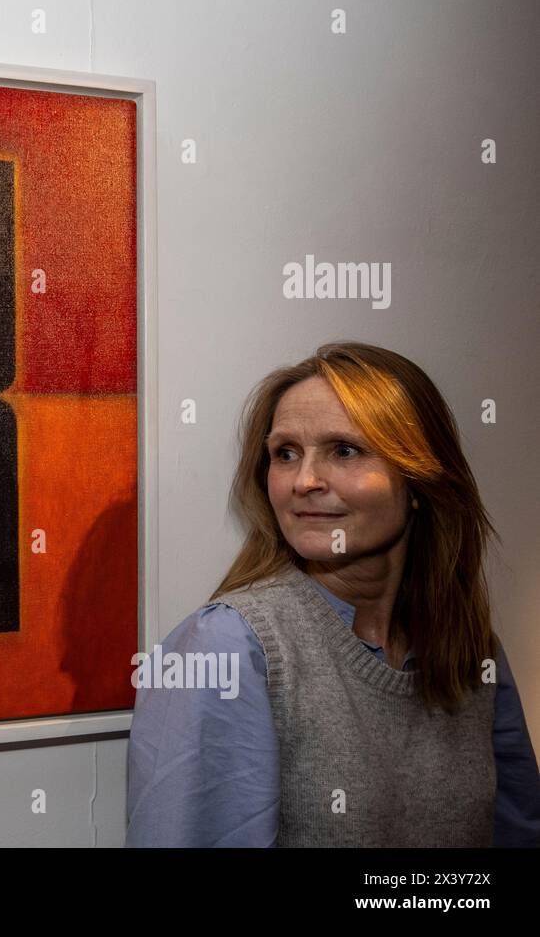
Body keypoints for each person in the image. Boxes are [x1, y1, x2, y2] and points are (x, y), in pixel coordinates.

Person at [126, 341, 540, 846]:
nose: (304, 481)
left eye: (344, 450)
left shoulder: (470, 648)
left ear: (418, 482)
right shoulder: (229, 646)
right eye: (285, 454)